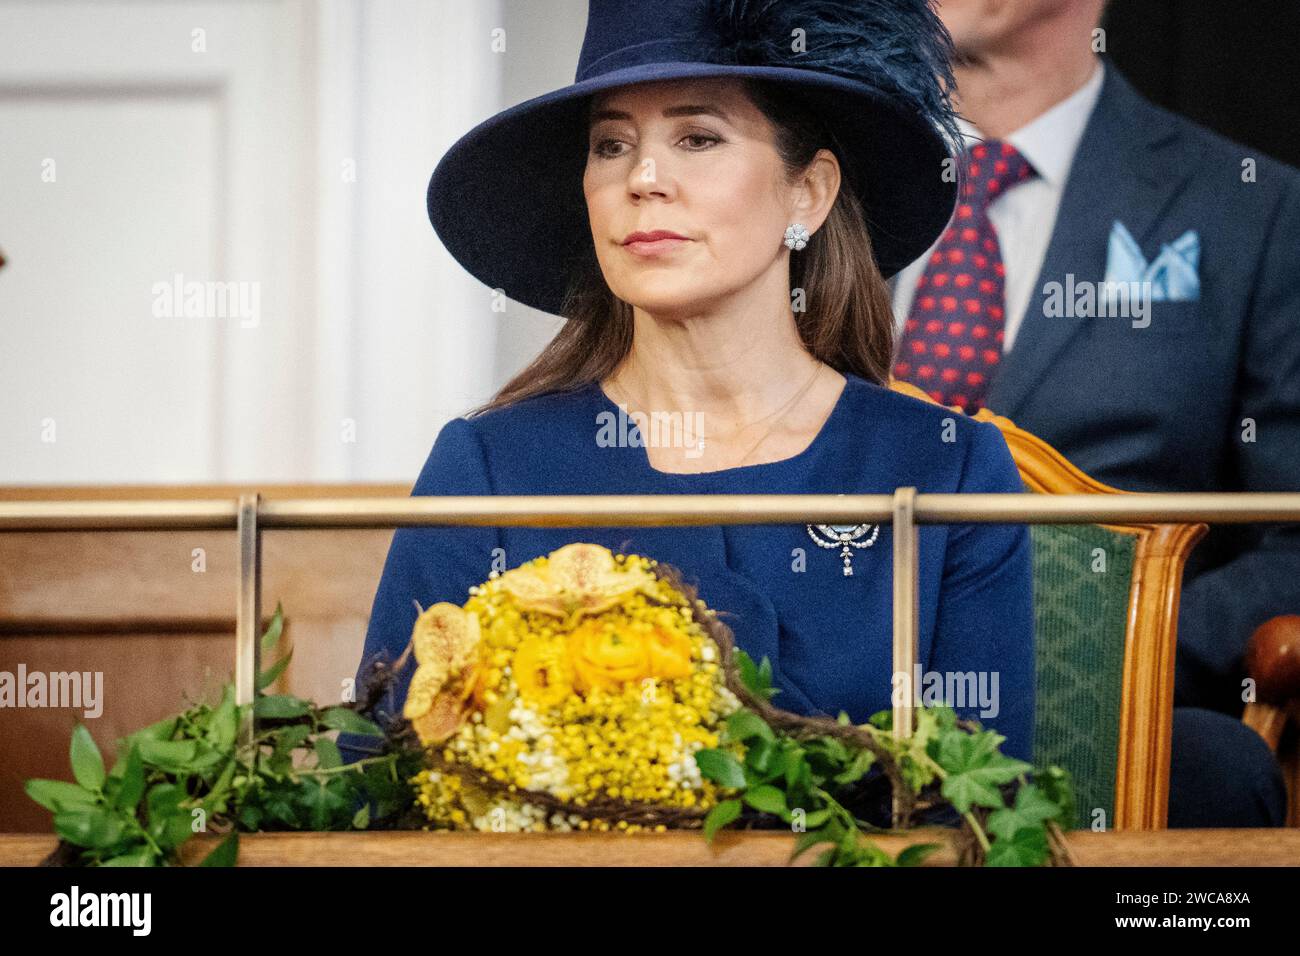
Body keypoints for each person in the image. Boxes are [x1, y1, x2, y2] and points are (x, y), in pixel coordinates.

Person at [339, 0, 1037, 773]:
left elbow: (983, 811)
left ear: (809, 193)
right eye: (611, 145)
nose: (642, 179)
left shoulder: (946, 467)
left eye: (697, 138)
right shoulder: (489, 467)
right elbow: (381, 789)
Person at [892, 0, 1297, 826]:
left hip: (1113, 724)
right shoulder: (800, 180)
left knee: (1209, 771)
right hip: (821, 699)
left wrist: (1108, 645)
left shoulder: (1255, 211)